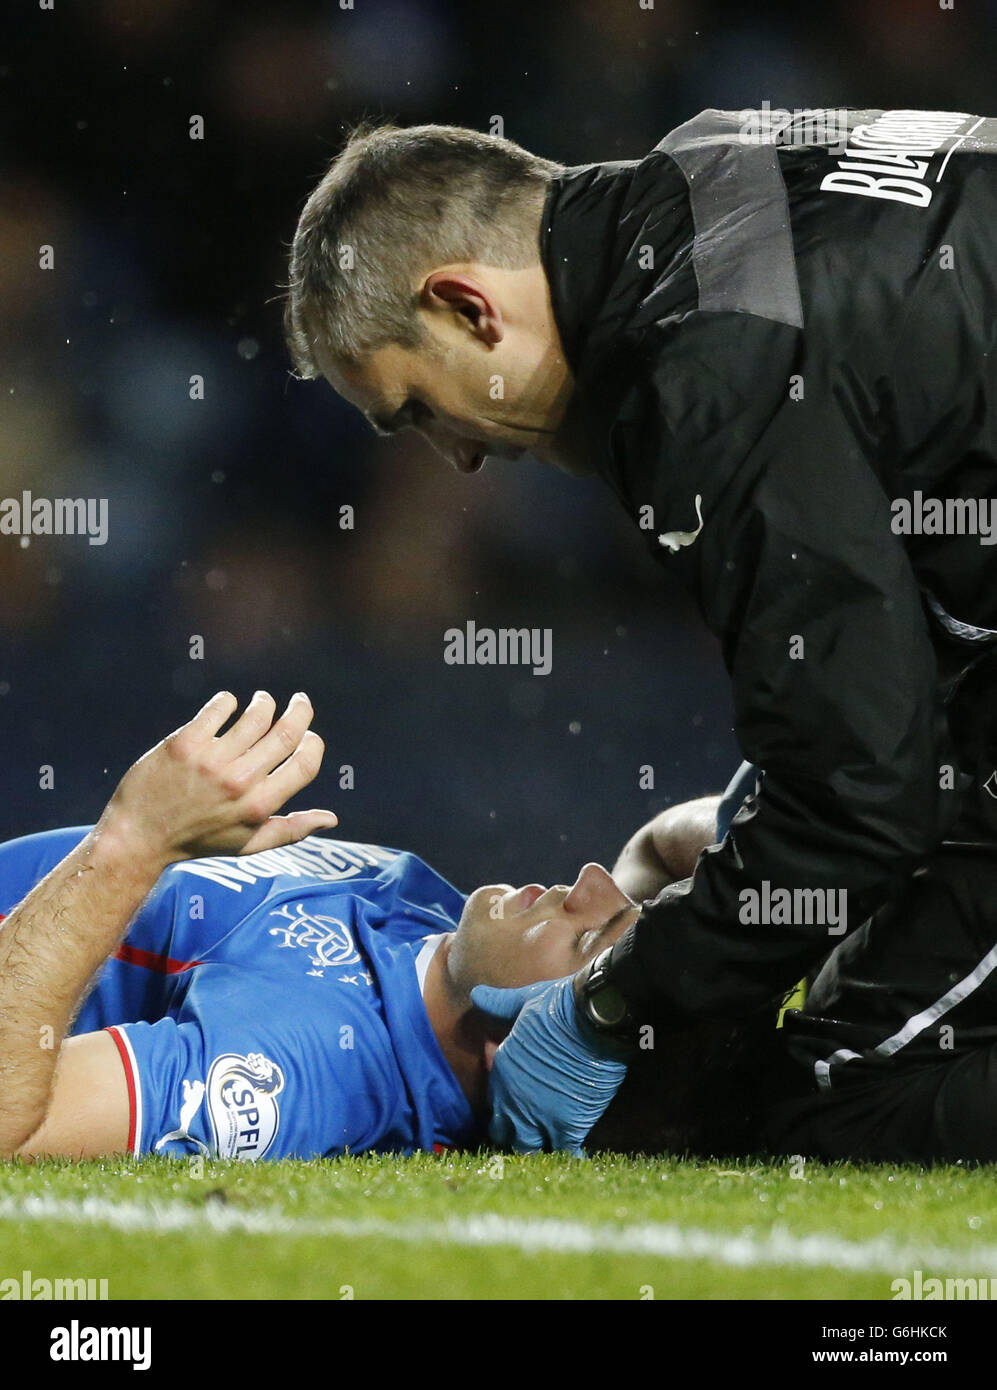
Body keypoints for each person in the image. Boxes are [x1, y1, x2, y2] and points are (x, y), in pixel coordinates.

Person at [282, 106, 997, 1150]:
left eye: (418, 410)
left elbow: (861, 808)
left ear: (467, 306)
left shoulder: (709, 374)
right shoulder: (719, 154)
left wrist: (611, 1002)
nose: (459, 459)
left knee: (837, 1084)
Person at [0, 691, 654, 1162]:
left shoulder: (312, 1064)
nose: (593, 882)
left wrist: (132, 842)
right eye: (627, 909)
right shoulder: (441, 938)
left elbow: (10, 1126)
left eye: (589, 937)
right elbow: (663, 851)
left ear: (527, 1042)